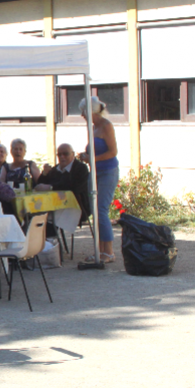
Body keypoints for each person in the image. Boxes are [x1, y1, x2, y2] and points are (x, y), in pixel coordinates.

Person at [79, 97, 120, 263]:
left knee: (101, 209)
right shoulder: (92, 127)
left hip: (108, 172)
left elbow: (113, 152)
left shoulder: (106, 125)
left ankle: (109, 252)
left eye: (83, 112)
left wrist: (92, 159)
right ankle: (99, 250)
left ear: (91, 112)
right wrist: (85, 156)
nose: (82, 115)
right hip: (94, 172)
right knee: (94, 211)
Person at [36, 143, 91, 224]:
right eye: (59, 154)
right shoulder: (56, 169)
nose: (62, 157)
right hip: (54, 206)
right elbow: (40, 185)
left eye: (65, 154)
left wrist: (51, 187)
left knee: (45, 217)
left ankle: (50, 234)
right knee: (35, 214)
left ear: (73, 154)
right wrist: (44, 173)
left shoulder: (81, 168)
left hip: (76, 207)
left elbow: (74, 187)